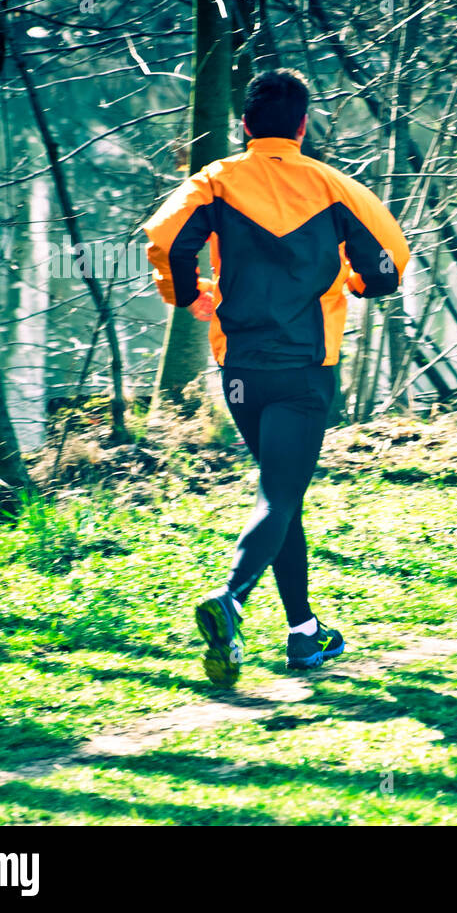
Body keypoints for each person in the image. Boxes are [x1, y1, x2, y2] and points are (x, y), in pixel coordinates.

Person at [142, 68, 409, 688]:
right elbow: (390, 263)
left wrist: (190, 296)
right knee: (281, 493)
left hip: (239, 369)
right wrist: (358, 283)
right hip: (304, 372)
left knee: (279, 490)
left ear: (244, 126)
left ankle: (304, 635)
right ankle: (231, 601)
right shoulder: (333, 187)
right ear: (302, 125)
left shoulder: (215, 181)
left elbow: (164, 240)